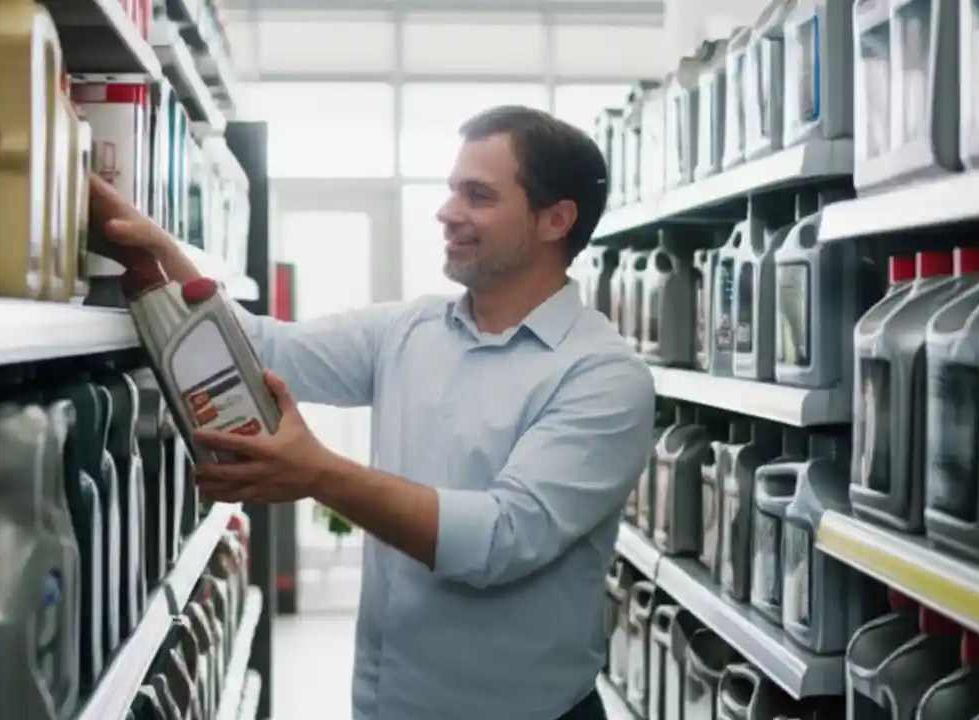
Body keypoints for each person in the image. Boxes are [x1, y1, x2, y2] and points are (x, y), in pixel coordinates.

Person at [90, 105, 656, 720]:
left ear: (556, 219)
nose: (447, 211)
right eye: (451, 190)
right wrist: (148, 243)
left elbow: (499, 538)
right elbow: (257, 347)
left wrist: (320, 474)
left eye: (479, 195)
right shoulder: (410, 330)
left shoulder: (602, 376)